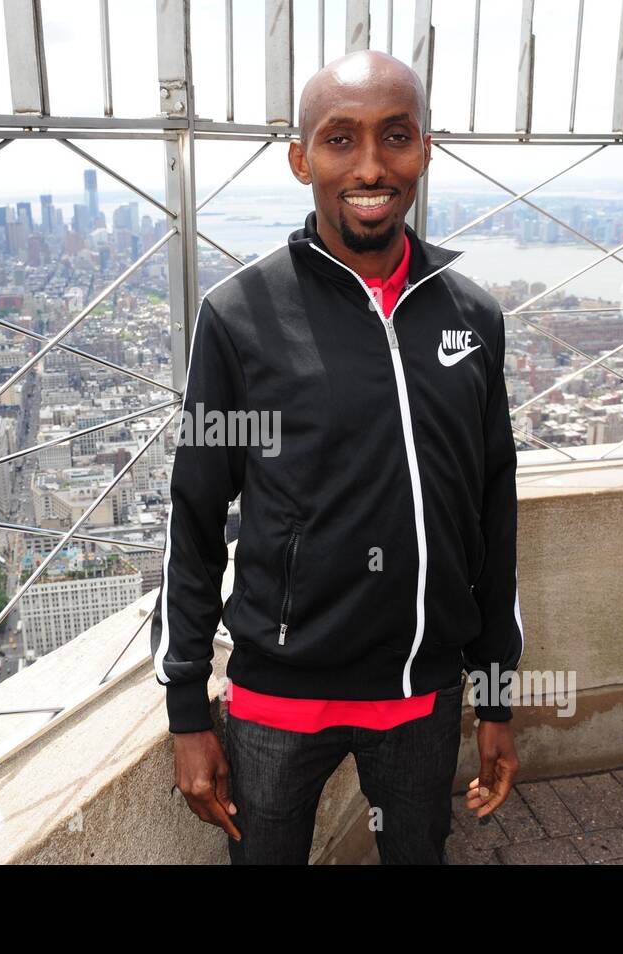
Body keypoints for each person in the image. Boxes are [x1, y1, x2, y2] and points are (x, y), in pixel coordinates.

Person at [151, 49, 523, 864]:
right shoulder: (240, 316)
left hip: (423, 695)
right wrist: (187, 710)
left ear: (427, 149)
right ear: (300, 159)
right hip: (278, 700)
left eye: (396, 136)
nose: (370, 165)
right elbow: (195, 515)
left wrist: (495, 692)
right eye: (339, 139)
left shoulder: (472, 318)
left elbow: (494, 512)